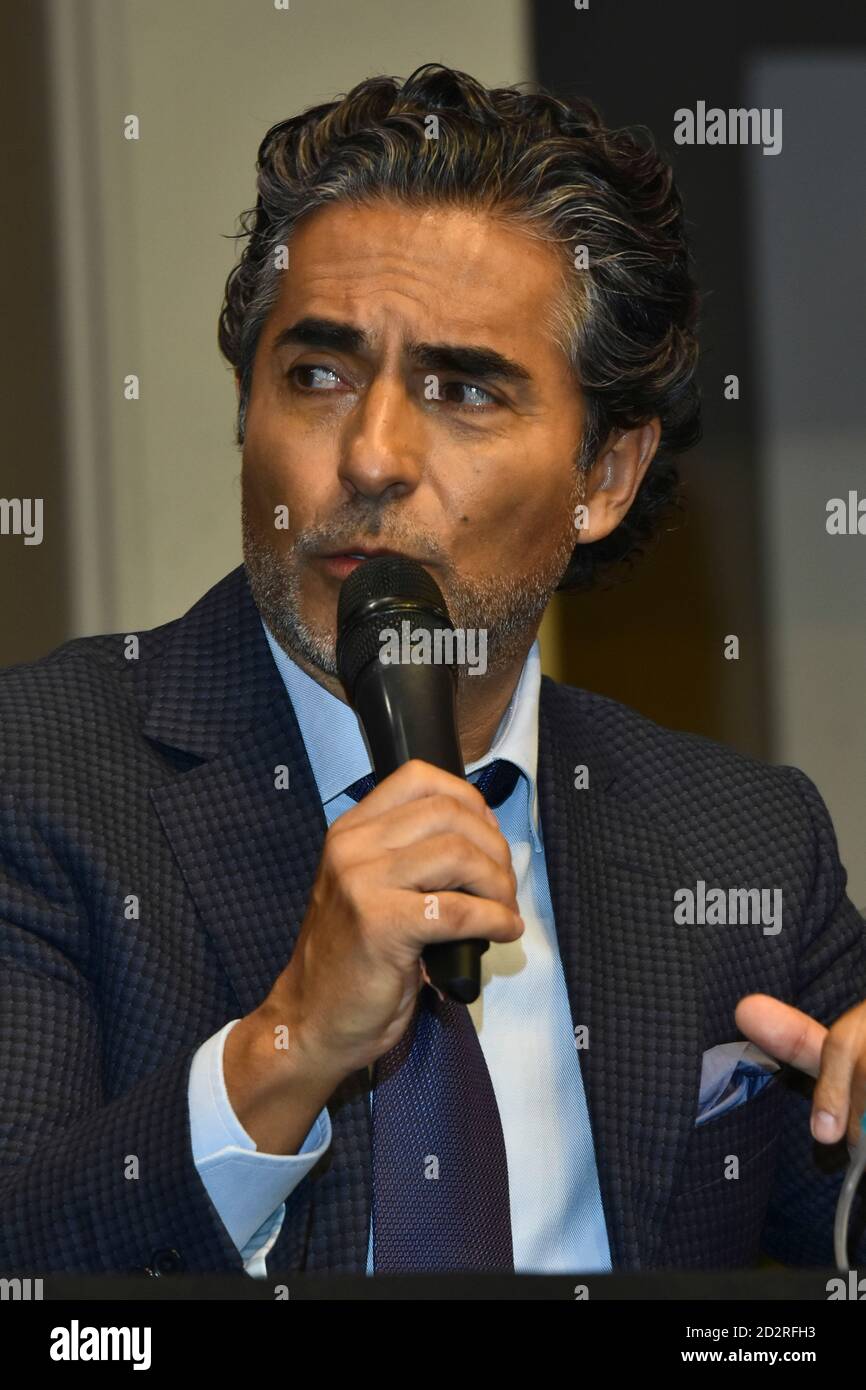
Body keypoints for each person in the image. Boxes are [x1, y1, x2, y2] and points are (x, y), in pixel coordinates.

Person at [1, 63, 864, 1279]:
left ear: (601, 478)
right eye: (317, 374)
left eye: (461, 389)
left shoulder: (741, 845)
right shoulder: (38, 775)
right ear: (246, 411)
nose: (370, 454)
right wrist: (283, 1049)